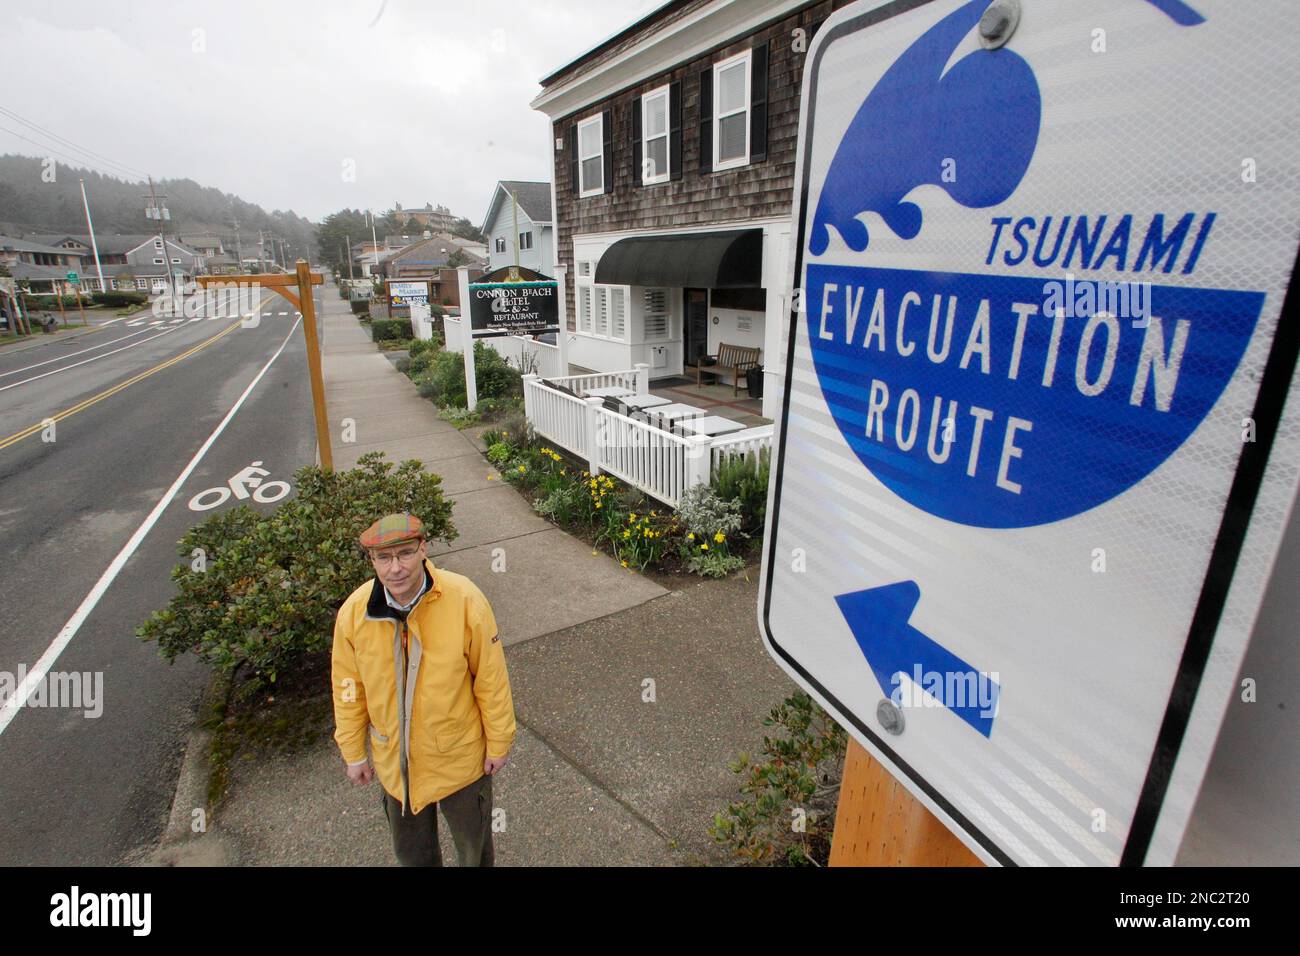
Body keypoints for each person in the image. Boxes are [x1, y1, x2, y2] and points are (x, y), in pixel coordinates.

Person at [331, 512, 515, 866]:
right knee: (413, 857)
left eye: (405, 554)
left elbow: (490, 677)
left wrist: (499, 740)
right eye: (383, 558)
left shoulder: (464, 599)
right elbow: (348, 687)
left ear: (423, 549)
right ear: (372, 561)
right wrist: (353, 751)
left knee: (474, 853)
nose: (395, 568)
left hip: (459, 758)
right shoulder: (354, 613)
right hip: (395, 764)